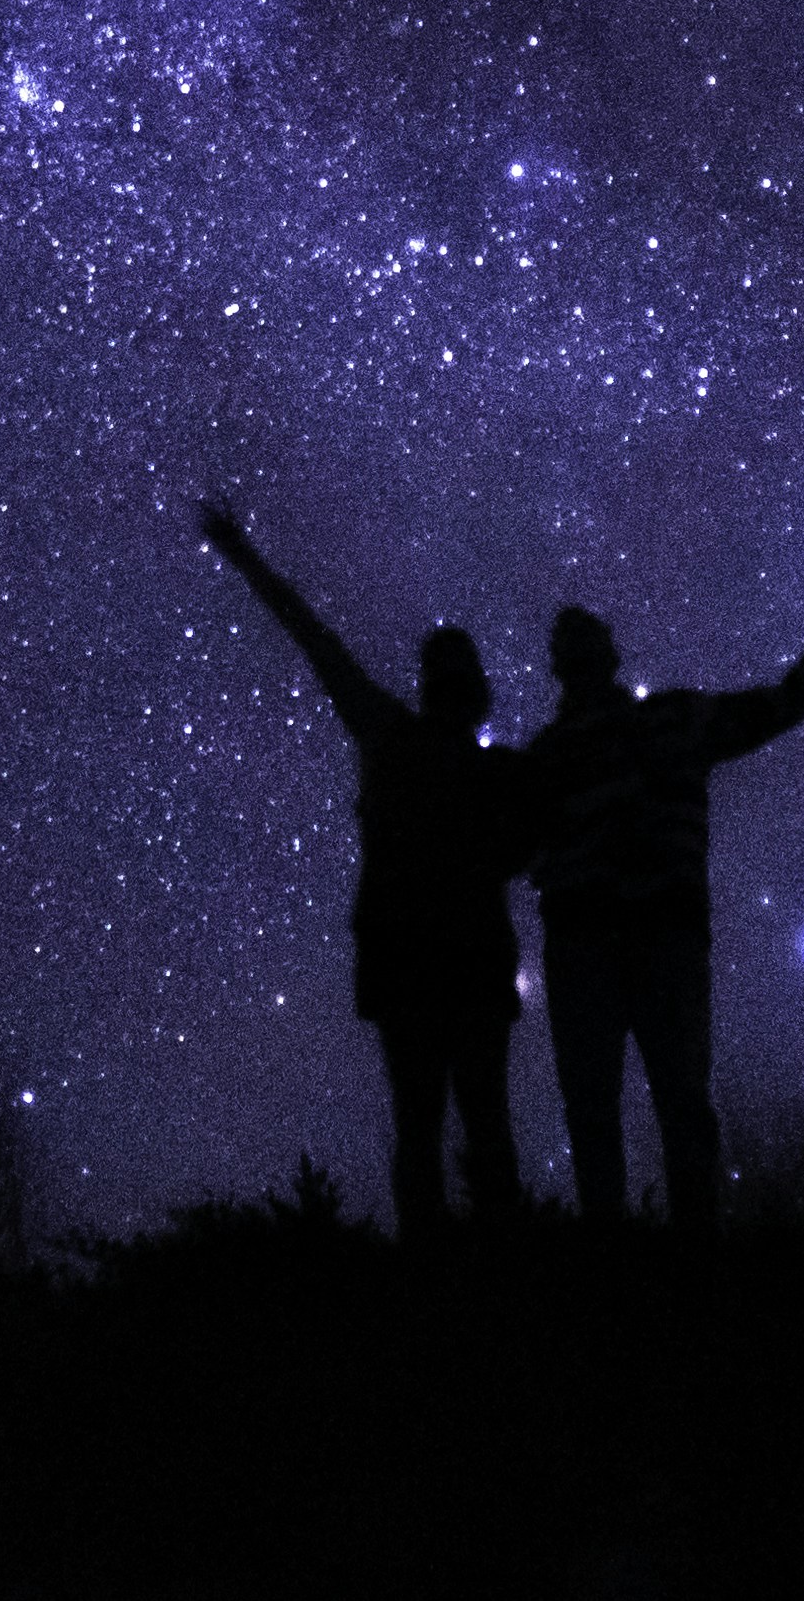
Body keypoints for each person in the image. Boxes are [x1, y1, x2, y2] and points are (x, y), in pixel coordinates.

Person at [198, 501, 544, 1232]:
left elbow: (316, 641)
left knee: (430, 1126)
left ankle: (434, 1262)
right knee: (477, 1124)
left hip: (416, 961)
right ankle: (500, 1268)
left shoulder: (402, 740)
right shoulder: (492, 771)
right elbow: (531, 846)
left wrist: (245, 555)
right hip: (457, 962)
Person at [525, 549, 804, 1230]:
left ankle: (664, 1261)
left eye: (582, 636)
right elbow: (783, 702)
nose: (575, 644)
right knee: (631, 1110)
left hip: (634, 941)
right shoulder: (557, 754)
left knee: (658, 1109)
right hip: (613, 945)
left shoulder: (653, 723)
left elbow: (781, 702)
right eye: (569, 639)